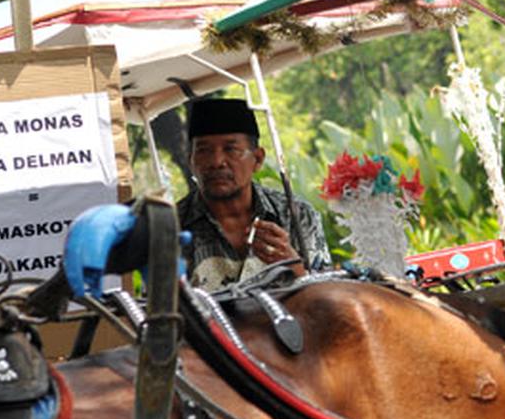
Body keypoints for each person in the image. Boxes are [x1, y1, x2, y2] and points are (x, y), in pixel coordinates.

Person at [64, 98, 330, 296]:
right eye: (204, 151)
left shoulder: (297, 216)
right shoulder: (170, 228)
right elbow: (157, 313)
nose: (216, 162)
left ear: (258, 159)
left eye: (231, 149)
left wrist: (293, 266)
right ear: (191, 160)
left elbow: (331, 300)